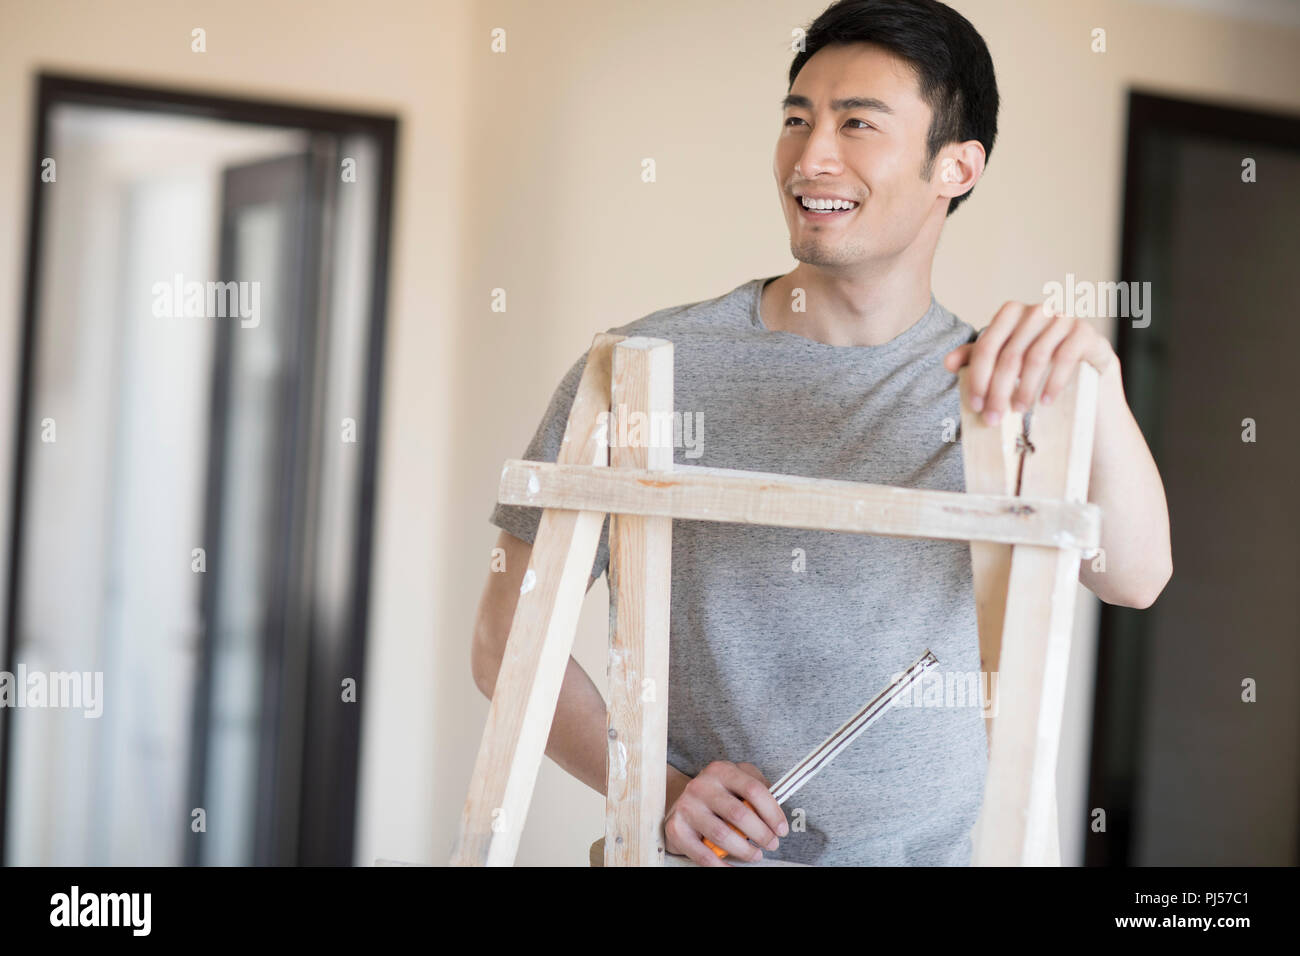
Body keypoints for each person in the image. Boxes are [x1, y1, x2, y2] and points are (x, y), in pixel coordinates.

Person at [472, 0, 1172, 866]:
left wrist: (1097, 376)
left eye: (857, 124)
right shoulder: (640, 368)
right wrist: (651, 787)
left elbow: (1137, 576)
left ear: (956, 165)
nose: (811, 157)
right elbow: (505, 634)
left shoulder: (1007, 385)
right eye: (797, 120)